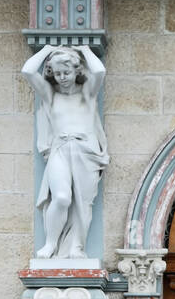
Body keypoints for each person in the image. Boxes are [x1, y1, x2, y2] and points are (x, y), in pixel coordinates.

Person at [21, 44, 109, 259]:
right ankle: (51, 244)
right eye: (58, 73)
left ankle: (77, 247)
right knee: (61, 197)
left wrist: (85, 50)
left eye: (66, 72)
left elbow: (99, 71)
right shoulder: (50, 95)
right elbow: (28, 71)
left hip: (86, 151)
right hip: (60, 149)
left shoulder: (87, 94)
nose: (62, 77)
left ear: (77, 70)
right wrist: (47, 50)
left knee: (83, 203)